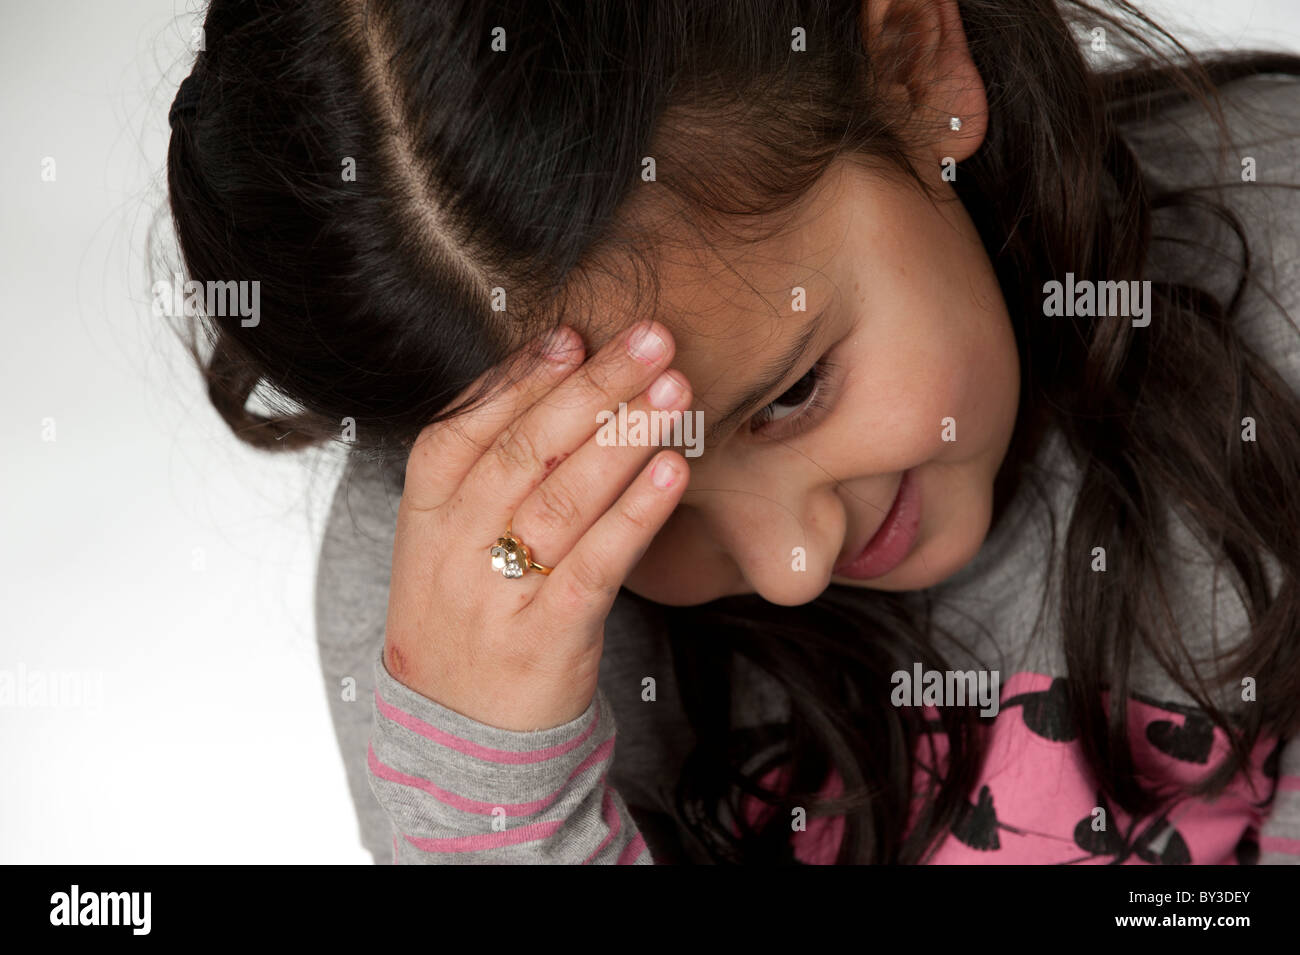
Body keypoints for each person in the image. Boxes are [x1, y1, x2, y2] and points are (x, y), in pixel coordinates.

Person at [165, 0, 1300, 863]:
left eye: (792, 394)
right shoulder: (485, 593)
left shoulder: (1284, 264)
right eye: (637, 502)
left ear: (911, 66)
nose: (794, 566)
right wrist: (491, 785)